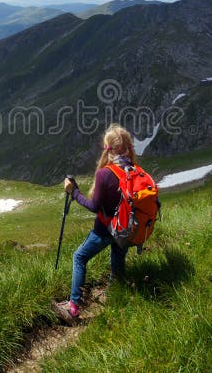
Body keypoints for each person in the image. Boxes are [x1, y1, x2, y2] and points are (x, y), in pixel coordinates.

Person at [53, 123, 135, 322]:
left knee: (79, 257)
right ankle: (117, 294)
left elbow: (94, 206)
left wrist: (74, 193)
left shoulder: (105, 173)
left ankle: (73, 307)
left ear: (107, 147)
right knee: (117, 256)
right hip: (125, 228)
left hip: (105, 229)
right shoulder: (133, 169)